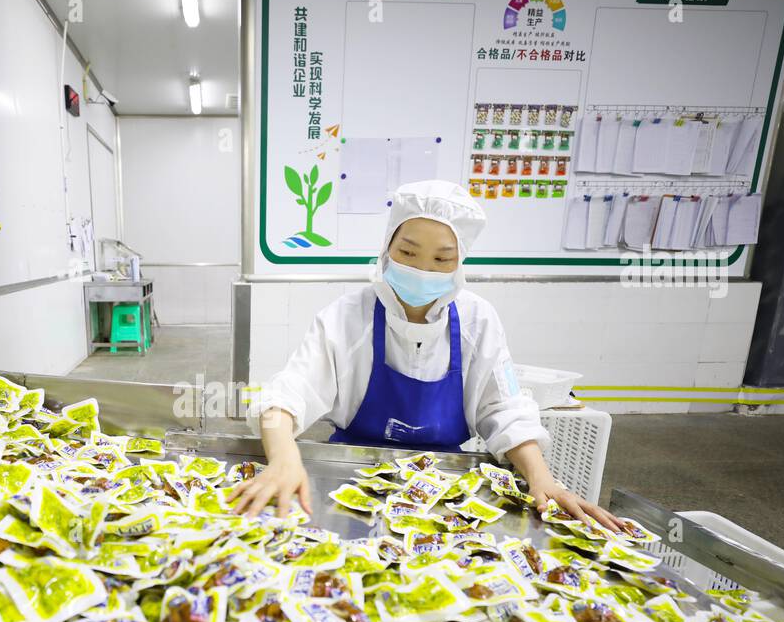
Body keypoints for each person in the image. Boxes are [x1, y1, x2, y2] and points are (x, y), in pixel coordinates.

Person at [231, 178, 621, 531]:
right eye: (408, 251)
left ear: (459, 263)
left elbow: (504, 408)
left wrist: (542, 477)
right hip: (349, 474)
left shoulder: (478, 320)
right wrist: (283, 457)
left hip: (444, 487)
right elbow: (287, 393)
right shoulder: (347, 318)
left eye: (441, 259)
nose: (421, 269)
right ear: (386, 248)